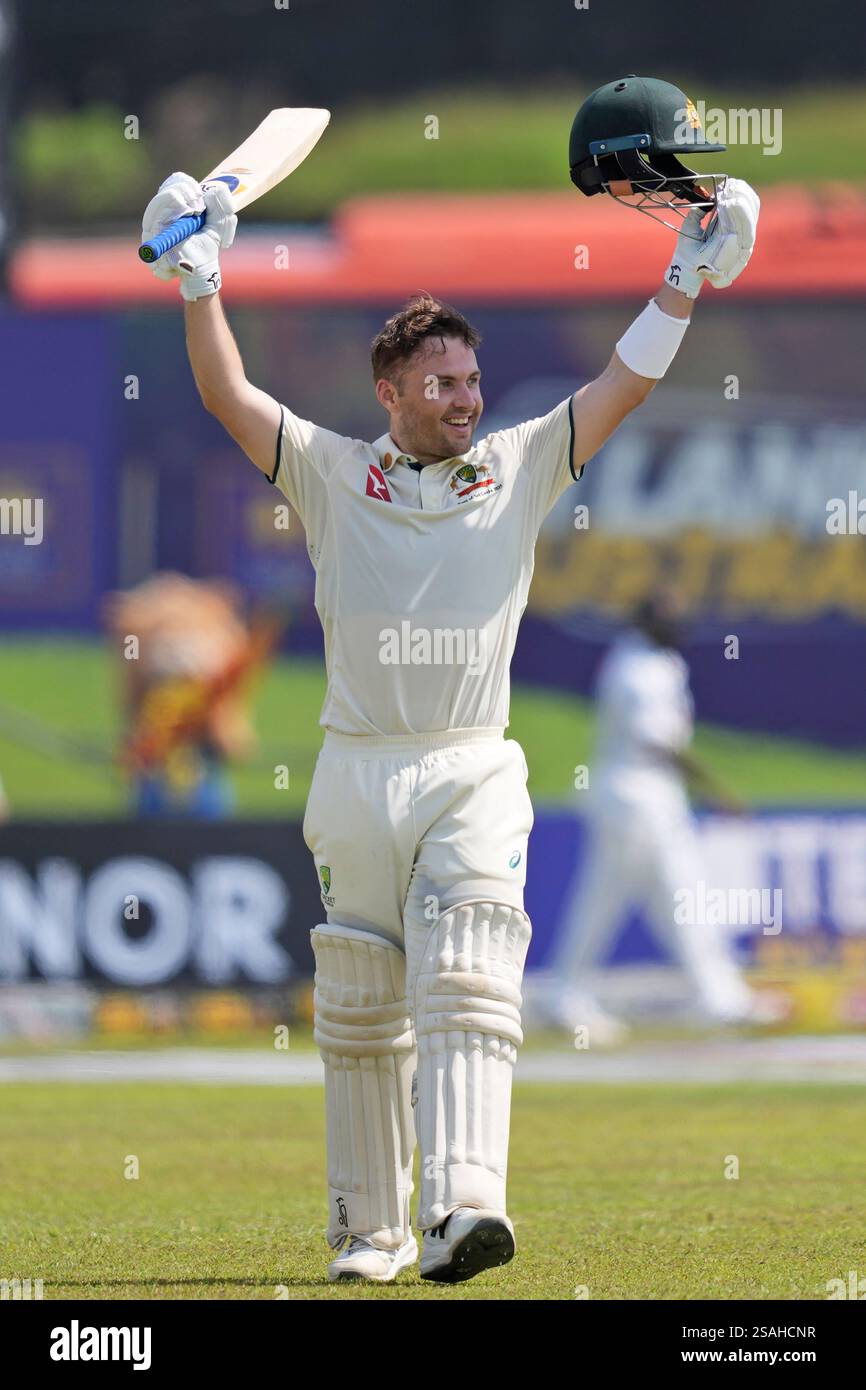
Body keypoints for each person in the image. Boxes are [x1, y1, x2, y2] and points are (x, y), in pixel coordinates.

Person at [141, 78, 760, 1284]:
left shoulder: (521, 461)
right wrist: (201, 281)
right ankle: (369, 1231)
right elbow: (224, 393)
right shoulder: (326, 472)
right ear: (390, 393)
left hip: (474, 759)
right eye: (441, 384)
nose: (465, 399)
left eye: (472, 381)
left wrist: (684, 271)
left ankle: (465, 1205)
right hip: (357, 763)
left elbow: (622, 385)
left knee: (472, 966)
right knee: (364, 1008)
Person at [544, 589, 774, 1044]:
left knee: (678, 895)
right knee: (612, 897)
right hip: (635, 794)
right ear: (645, 622)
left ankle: (718, 997)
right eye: (667, 617)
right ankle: (565, 993)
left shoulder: (654, 662)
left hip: (650, 795)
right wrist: (718, 789)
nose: (677, 625)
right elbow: (660, 743)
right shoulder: (638, 670)